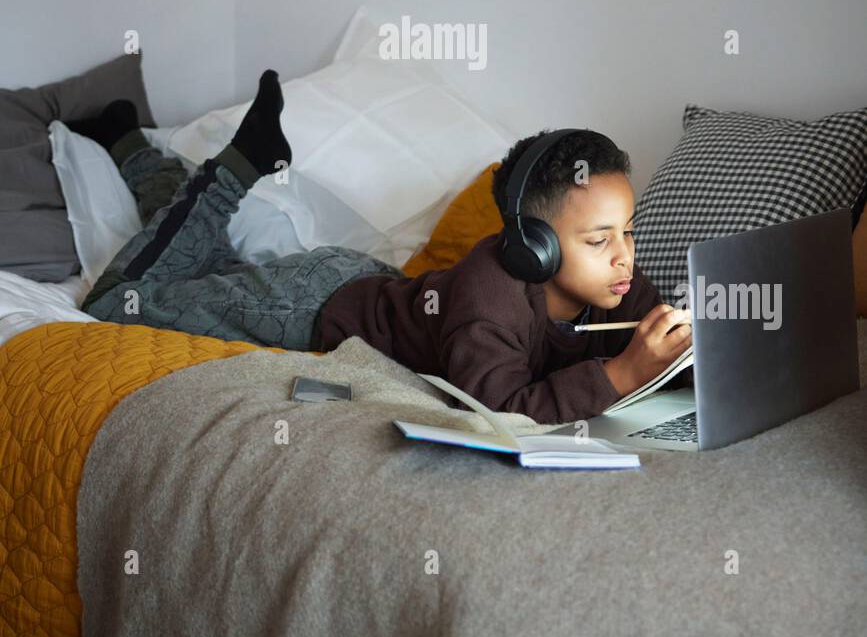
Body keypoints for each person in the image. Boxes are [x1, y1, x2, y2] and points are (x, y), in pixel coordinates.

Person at [73, 72, 691, 423]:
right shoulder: (490, 293)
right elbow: (501, 410)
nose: (624, 257)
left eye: (628, 230)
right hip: (309, 305)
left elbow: (650, 358)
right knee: (114, 305)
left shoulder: (614, 285)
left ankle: (127, 142)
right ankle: (238, 166)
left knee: (203, 263)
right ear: (534, 248)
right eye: (598, 239)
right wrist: (621, 372)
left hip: (372, 283)